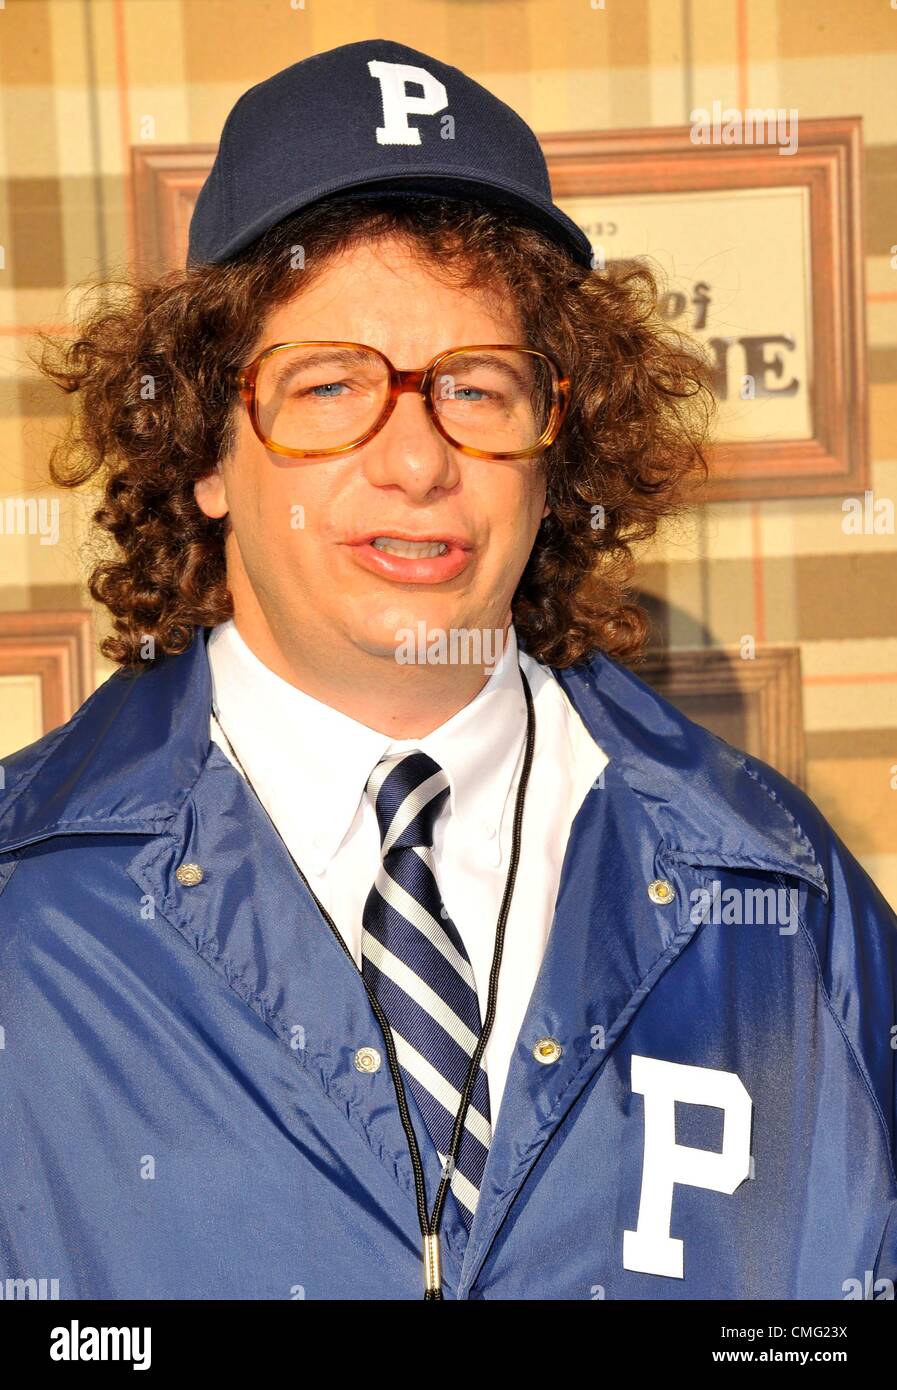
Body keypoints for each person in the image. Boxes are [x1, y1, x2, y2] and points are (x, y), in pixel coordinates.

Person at [1, 38, 895, 1302]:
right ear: (207, 447)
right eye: (328, 386)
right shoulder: (24, 901)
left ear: (557, 452)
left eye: (477, 387)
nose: (416, 461)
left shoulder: (776, 894)